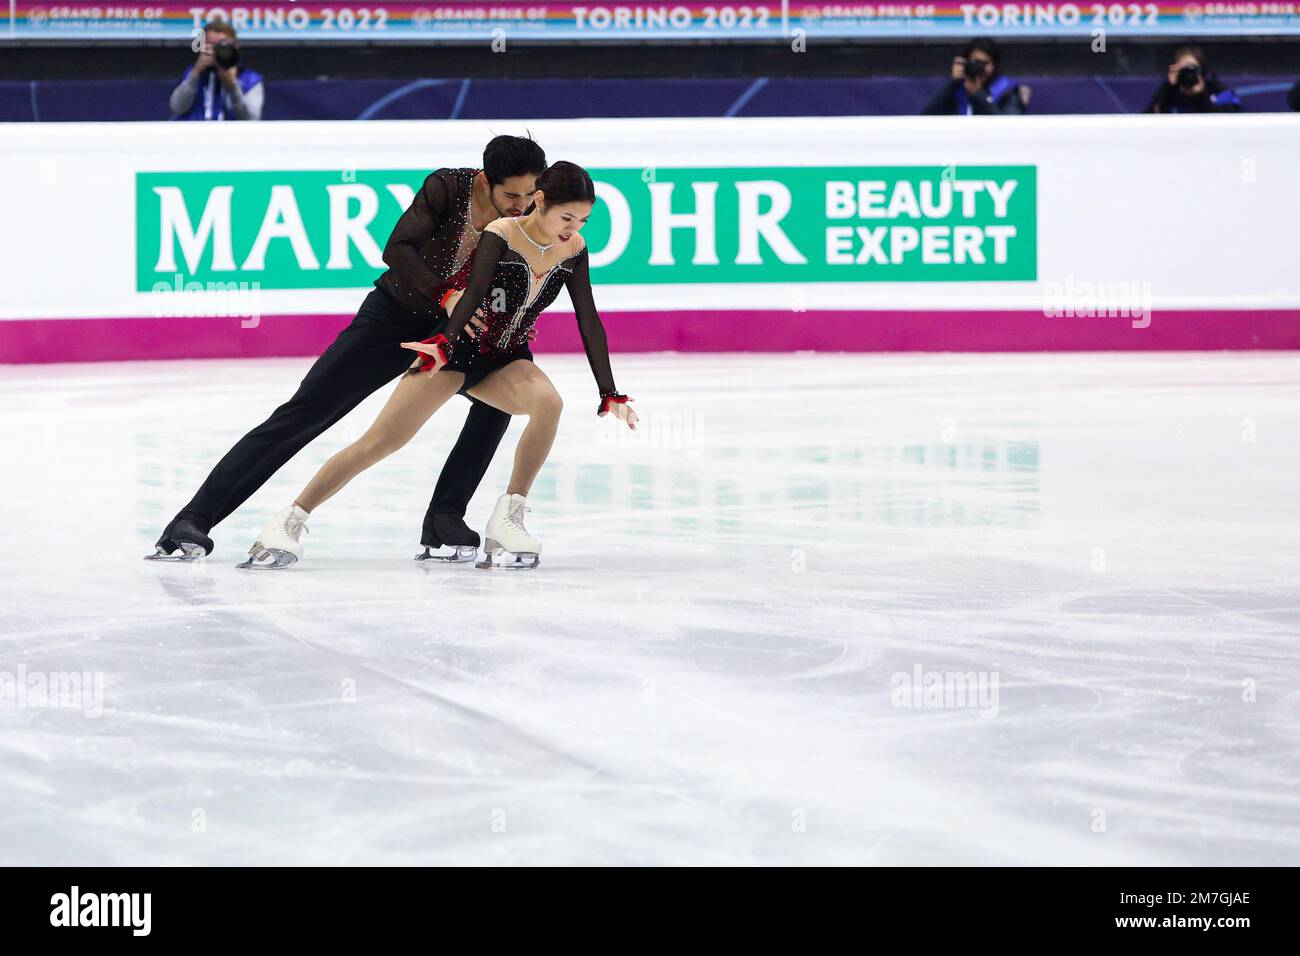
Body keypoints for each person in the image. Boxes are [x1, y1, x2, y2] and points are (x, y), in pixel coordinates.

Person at [147, 135, 548, 567]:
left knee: (498, 405)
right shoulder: (448, 188)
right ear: (486, 179)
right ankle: (193, 519)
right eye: (511, 194)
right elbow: (396, 249)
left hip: (460, 328)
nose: (519, 204)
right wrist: (446, 294)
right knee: (307, 412)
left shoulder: (529, 214)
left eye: (529, 195)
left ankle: (445, 517)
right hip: (394, 317)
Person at [244, 161, 637, 571]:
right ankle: (290, 520)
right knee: (381, 441)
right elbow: (472, 295)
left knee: (548, 403)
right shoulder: (501, 234)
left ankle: (509, 517)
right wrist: (442, 343)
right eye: (567, 216)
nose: (573, 226)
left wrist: (608, 391)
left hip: (506, 357)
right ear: (540, 201)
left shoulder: (573, 249)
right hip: (458, 351)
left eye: (584, 218)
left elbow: (588, 318)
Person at [170, 18, 264, 121]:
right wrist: (195, 73)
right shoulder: (193, 73)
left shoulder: (251, 80)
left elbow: (251, 121)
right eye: (211, 46)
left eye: (222, 46)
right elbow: (177, 108)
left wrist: (232, 86)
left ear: (235, 47)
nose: (216, 52)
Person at [922, 38, 1028, 116]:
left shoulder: (1007, 91)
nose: (980, 68)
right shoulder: (954, 90)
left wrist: (977, 94)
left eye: (985, 63)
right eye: (976, 62)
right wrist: (952, 84)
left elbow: (1009, 128)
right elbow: (925, 118)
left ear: (995, 65)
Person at [1145, 47, 1241, 114]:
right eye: (1183, 70)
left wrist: (1201, 96)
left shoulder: (1218, 92)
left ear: (1202, 71)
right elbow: (1145, 123)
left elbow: (1231, 122)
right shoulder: (1169, 95)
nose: (1189, 75)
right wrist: (1168, 89)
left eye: (1192, 69)